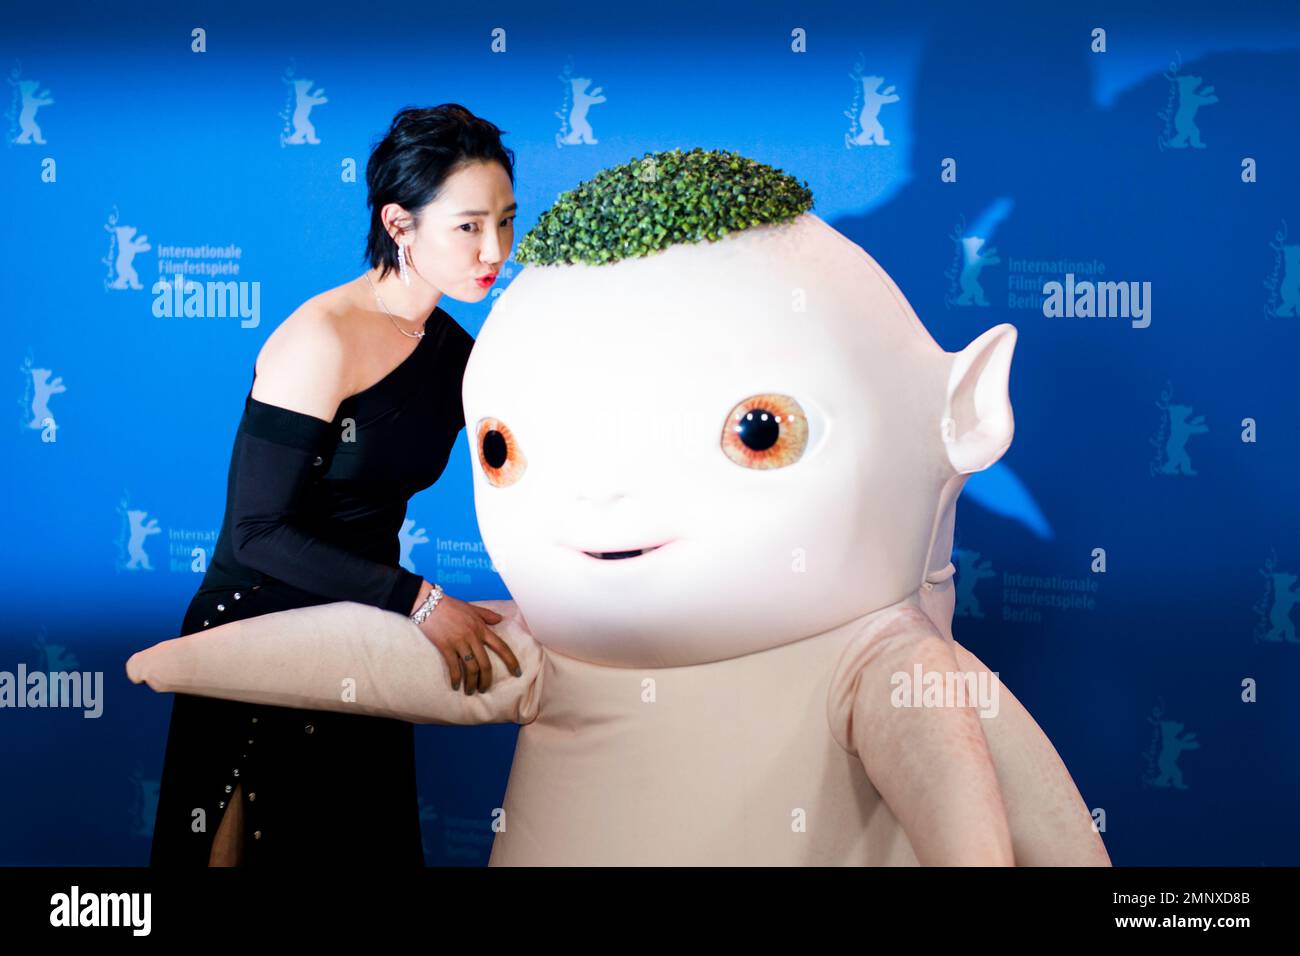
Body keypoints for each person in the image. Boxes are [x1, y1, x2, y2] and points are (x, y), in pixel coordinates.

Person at [149, 104, 522, 867]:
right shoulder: (321, 337)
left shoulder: (458, 352)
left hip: (365, 632)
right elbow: (257, 533)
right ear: (398, 223)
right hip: (254, 633)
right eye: (468, 226)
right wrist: (423, 603)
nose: (495, 250)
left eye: (507, 223)